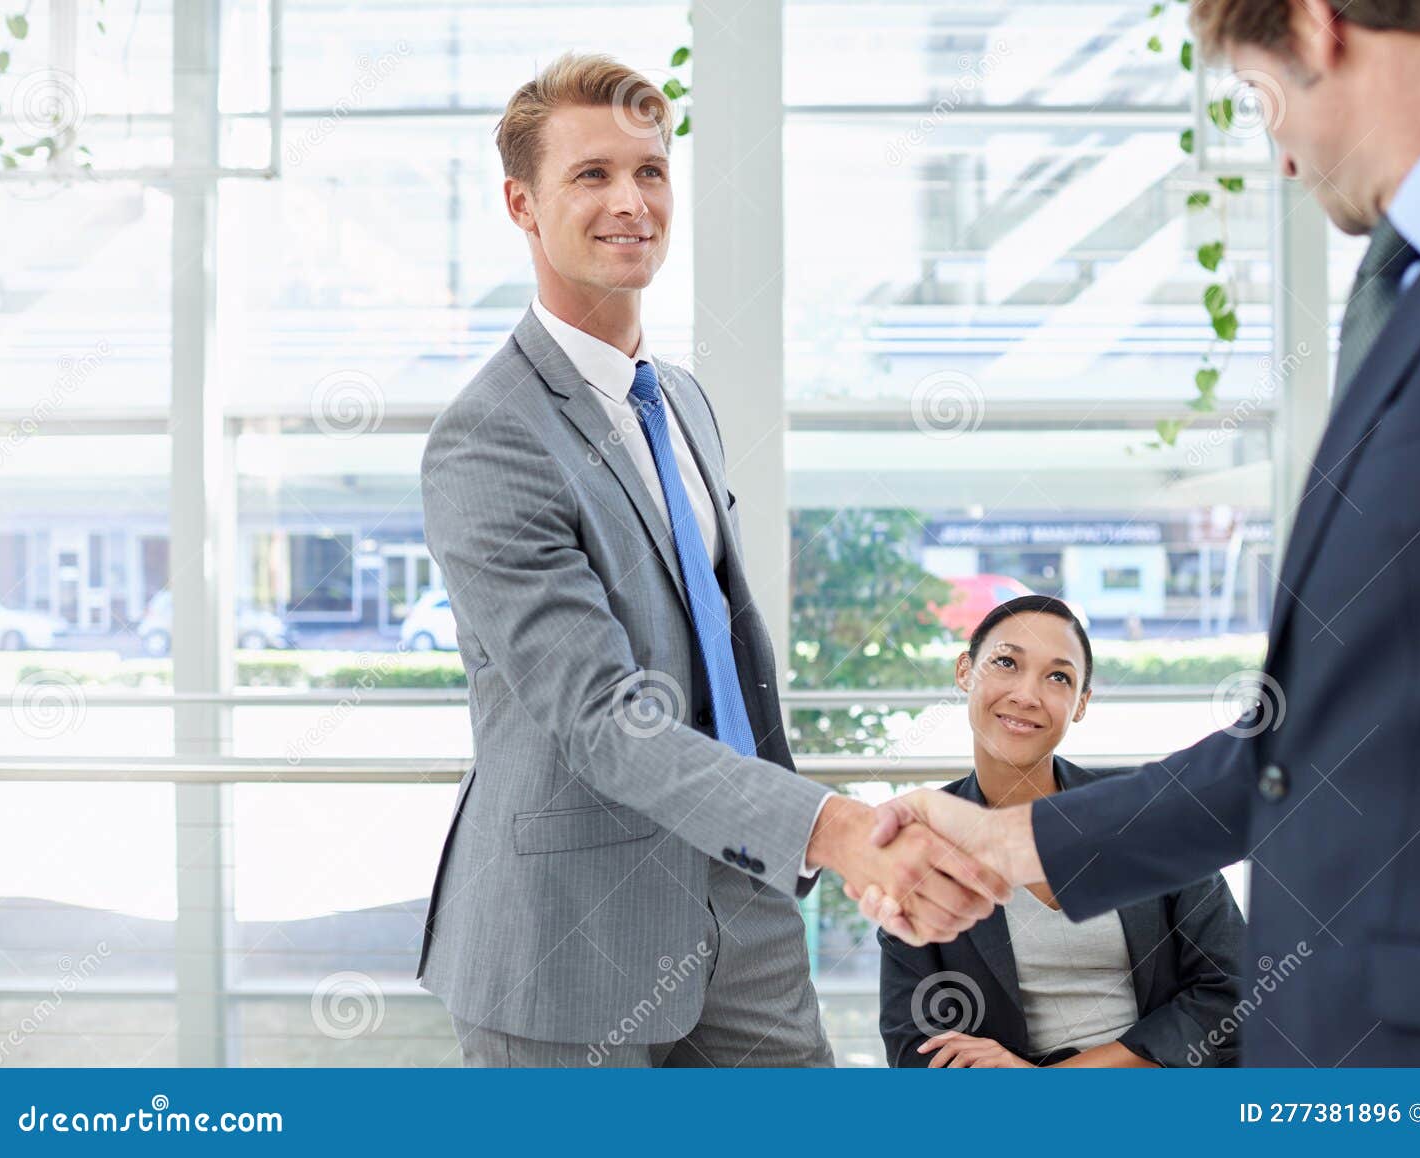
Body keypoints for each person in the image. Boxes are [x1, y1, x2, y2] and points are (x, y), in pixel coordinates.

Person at [855, 0, 1420, 1066]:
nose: (1280, 157)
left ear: (1315, 26)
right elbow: (1326, 742)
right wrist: (1010, 837)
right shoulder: (1418, 274)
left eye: (1258, 96)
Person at [417, 53, 1008, 1068]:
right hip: (570, 940)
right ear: (521, 203)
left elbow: (717, 662)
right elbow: (606, 719)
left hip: (744, 897)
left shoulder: (680, 401)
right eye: (591, 175)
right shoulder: (489, 439)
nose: (631, 201)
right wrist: (836, 828)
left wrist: (804, 840)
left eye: (650, 171)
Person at [878, 596, 1245, 1068]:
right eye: (1006, 662)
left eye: (1058, 677)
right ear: (965, 671)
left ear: (1081, 704)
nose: (1026, 695)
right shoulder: (923, 841)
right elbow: (915, 1046)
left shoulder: (1142, 813)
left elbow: (1231, 991)